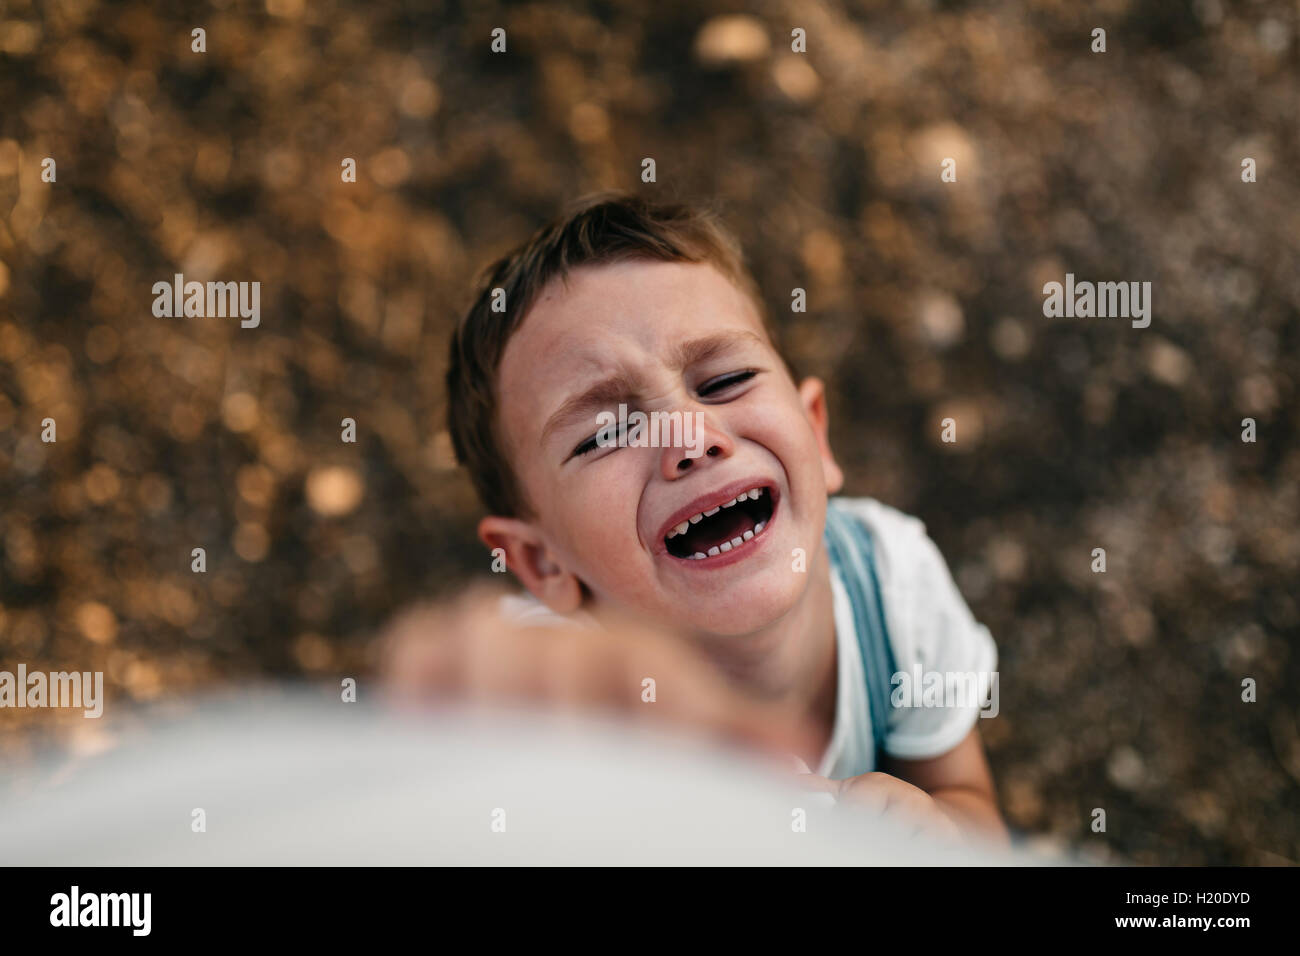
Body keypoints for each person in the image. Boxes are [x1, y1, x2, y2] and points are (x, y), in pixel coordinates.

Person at [384, 193, 1006, 845]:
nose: (692, 437)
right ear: (543, 562)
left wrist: (935, 835)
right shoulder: (560, 705)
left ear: (817, 438)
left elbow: (966, 798)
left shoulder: (893, 590)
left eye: (726, 379)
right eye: (606, 434)